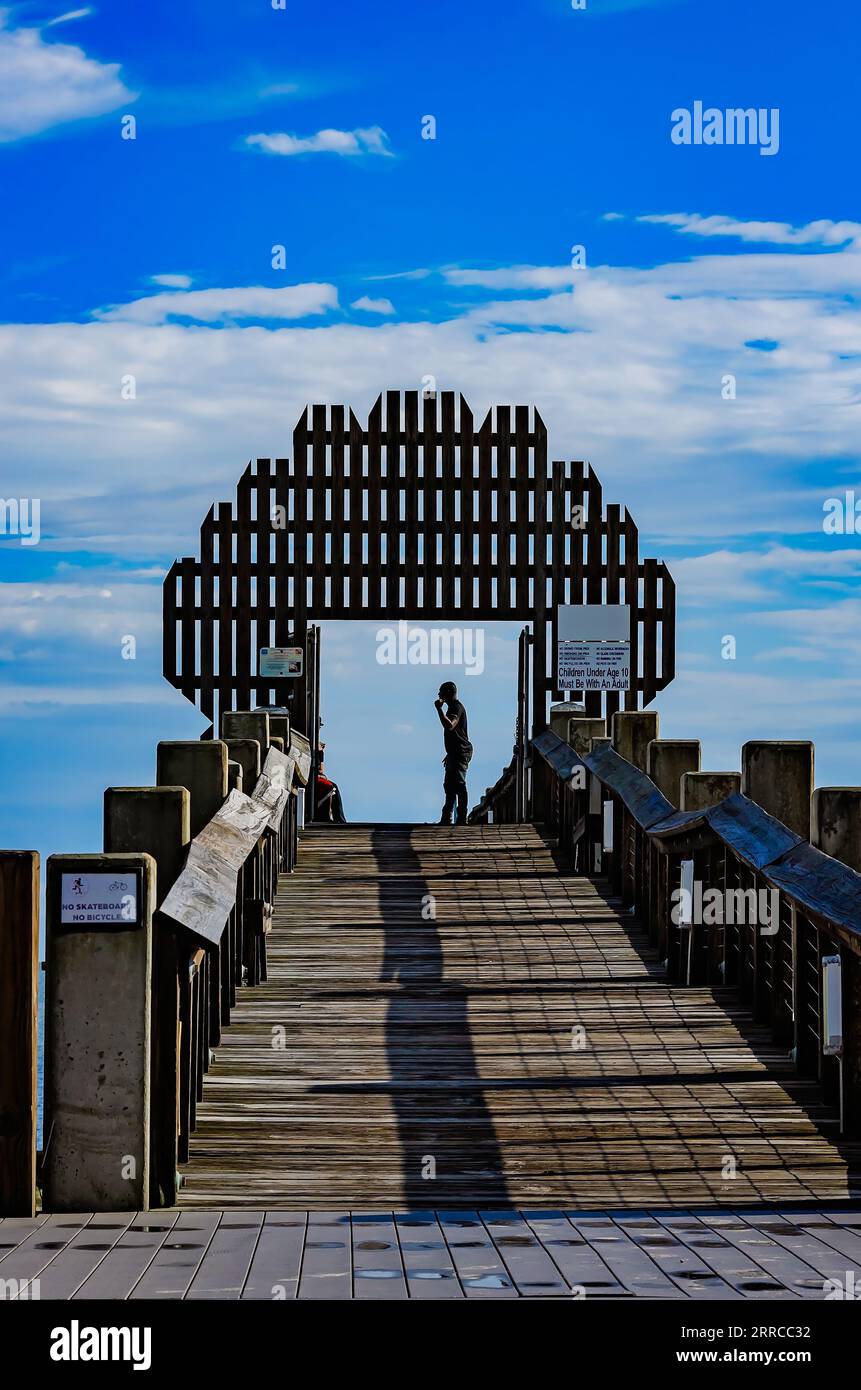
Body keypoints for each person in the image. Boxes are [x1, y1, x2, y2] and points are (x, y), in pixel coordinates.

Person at [434, 681, 473, 825]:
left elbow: (450, 725)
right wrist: (449, 754)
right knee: (449, 785)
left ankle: (462, 818)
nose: (439, 695)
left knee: (459, 784)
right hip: (454, 752)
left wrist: (439, 710)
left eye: (441, 692)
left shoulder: (456, 708)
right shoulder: (453, 707)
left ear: (449, 693)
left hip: (461, 752)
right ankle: (447, 818)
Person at [315, 744, 346, 823]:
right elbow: (320, 770)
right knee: (331, 786)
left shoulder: (317, 751)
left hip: (315, 778)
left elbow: (320, 770)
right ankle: (339, 819)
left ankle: (339, 819)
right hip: (312, 779)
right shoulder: (317, 751)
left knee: (332, 786)